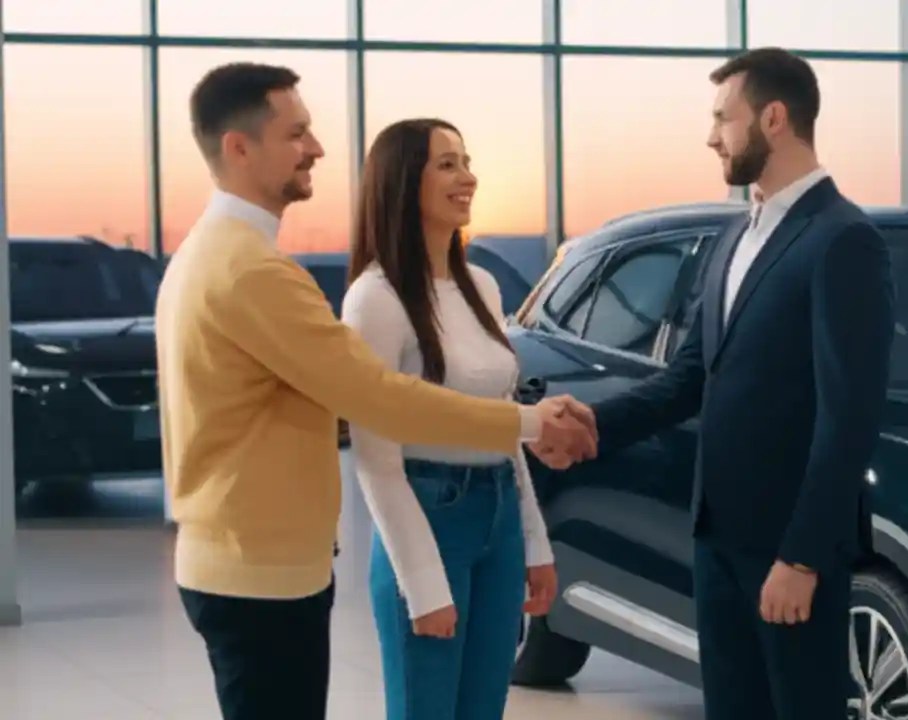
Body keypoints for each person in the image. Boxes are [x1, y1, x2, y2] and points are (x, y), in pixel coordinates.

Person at [155, 63, 593, 720]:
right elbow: (378, 398)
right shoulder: (254, 272)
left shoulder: (213, 255)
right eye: (296, 133)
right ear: (239, 148)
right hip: (258, 570)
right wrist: (529, 424)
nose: (317, 149)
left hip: (253, 562)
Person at [534, 48, 895, 720]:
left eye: (722, 118)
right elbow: (690, 379)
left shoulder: (843, 240)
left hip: (788, 550)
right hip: (712, 539)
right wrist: (595, 426)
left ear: (775, 118)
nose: (711, 136)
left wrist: (804, 557)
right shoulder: (734, 238)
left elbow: (848, 418)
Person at [341, 118, 558, 720]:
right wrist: (423, 583)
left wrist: (535, 543)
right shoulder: (374, 299)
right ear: (402, 182)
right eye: (448, 164)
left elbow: (502, 425)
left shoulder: (482, 286)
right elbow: (376, 458)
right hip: (428, 516)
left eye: (466, 161)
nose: (469, 177)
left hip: (499, 520)